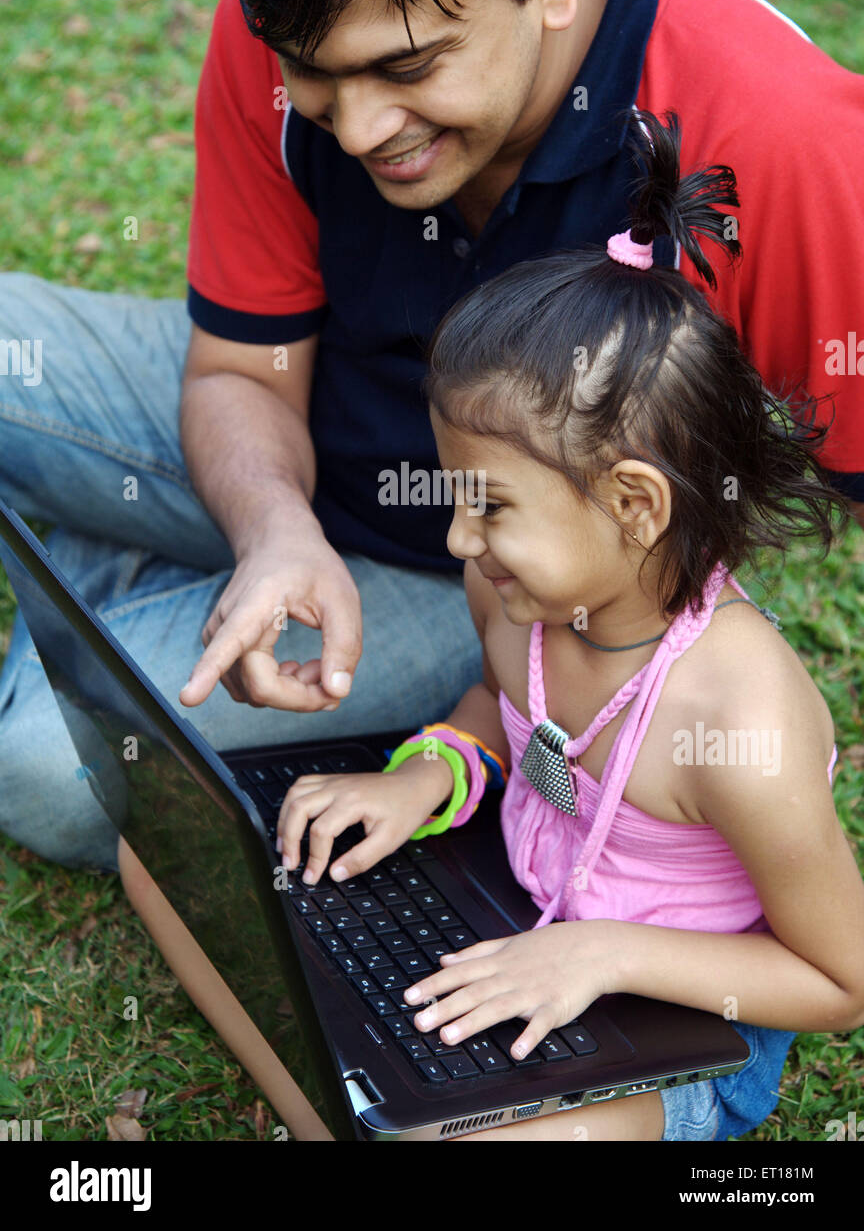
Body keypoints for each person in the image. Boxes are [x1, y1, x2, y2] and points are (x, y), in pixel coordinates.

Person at [1, 0, 863, 871]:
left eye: (408, 67)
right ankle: (154, 575)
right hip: (294, 432)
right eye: (314, 72)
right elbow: (239, 369)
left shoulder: (777, 132)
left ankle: (100, 577)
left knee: (49, 768)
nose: (360, 126)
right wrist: (275, 532)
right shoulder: (299, 7)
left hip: (488, 583)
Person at [273, 110, 864, 1142]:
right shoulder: (517, 597)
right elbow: (514, 718)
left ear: (635, 504)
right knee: (221, 899)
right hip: (522, 925)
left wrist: (604, 953)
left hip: (681, 1032)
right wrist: (431, 772)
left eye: (490, 505)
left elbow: (839, 980)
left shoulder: (736, 717)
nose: (460, 540)